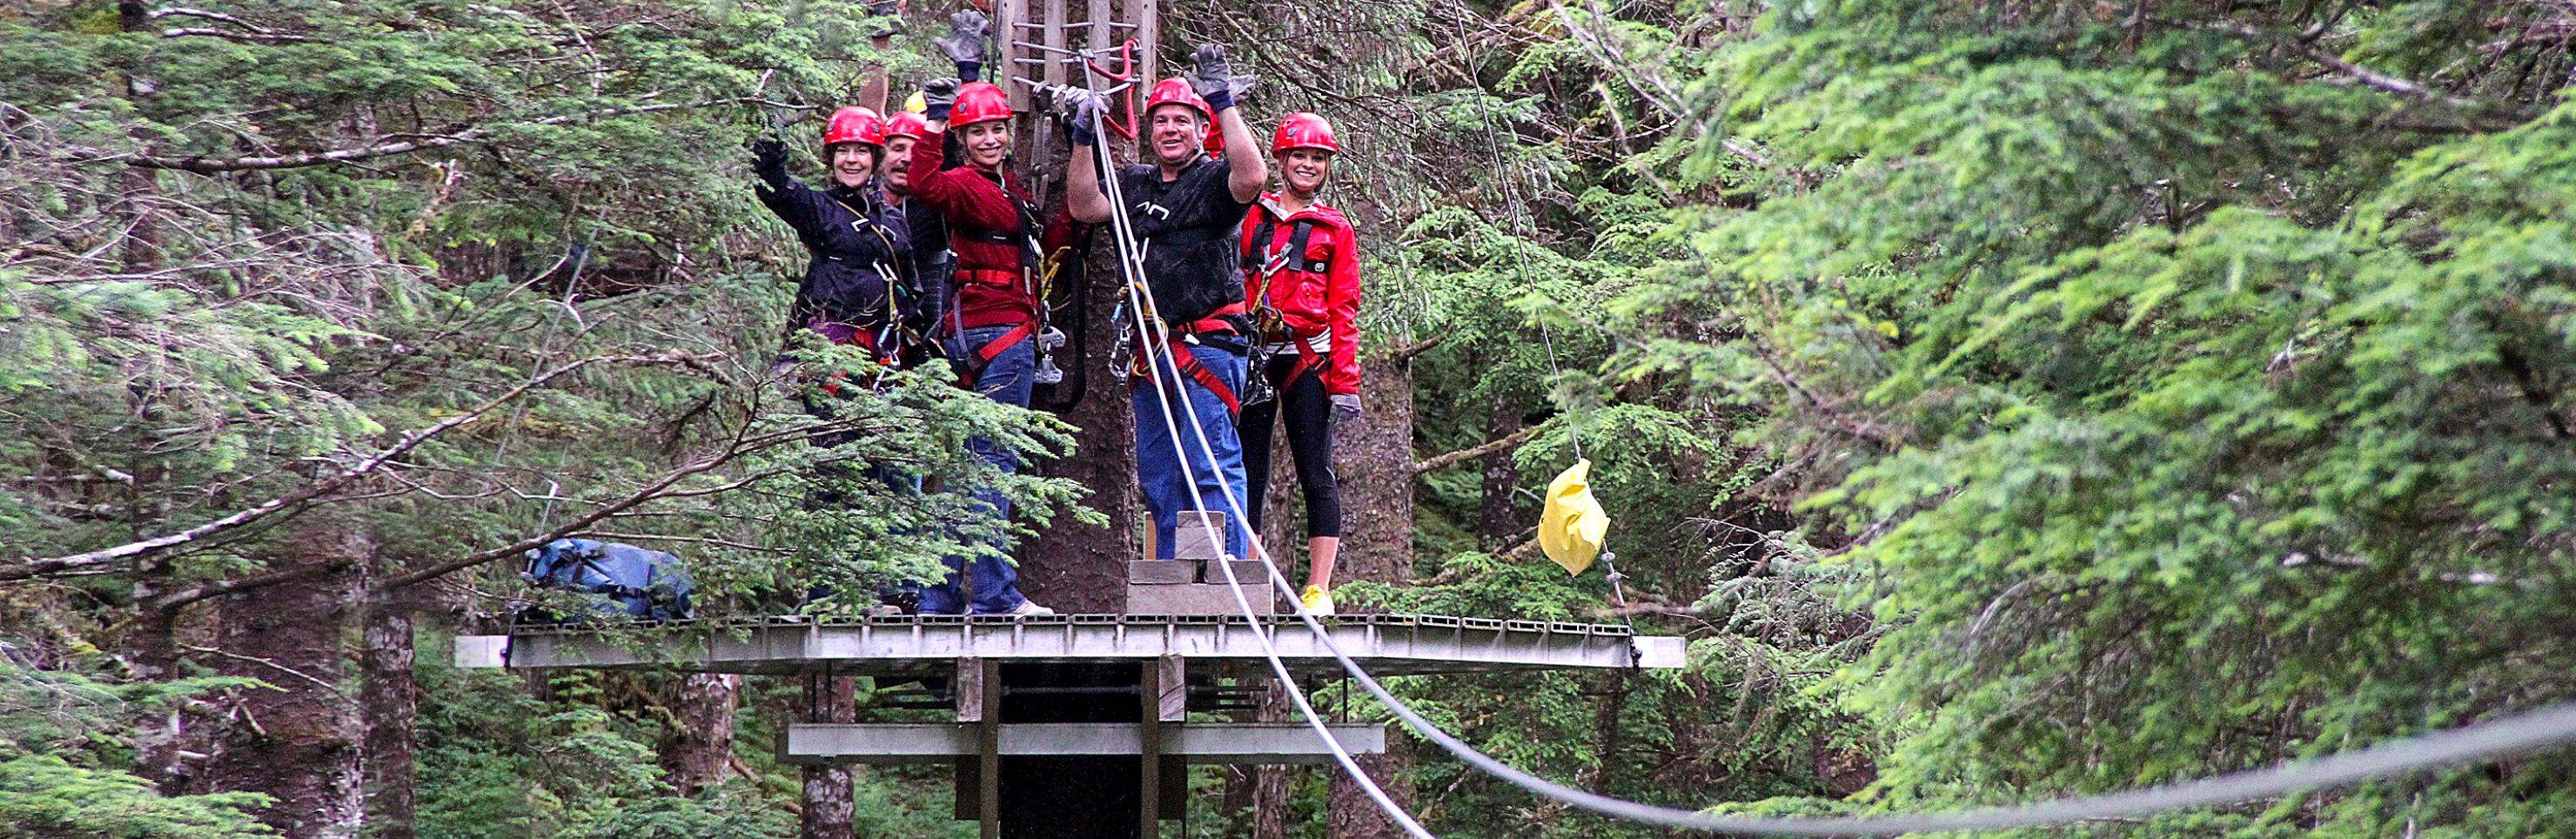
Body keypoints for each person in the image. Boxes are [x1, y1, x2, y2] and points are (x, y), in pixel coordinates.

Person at [1063, 45, 1268, 562]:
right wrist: (1084, 138)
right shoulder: (1135, 184)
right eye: (1161, 121)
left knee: (1210, 461)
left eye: (1181, 120)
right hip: (1151, 349)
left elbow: (1253, 178)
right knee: (1158, 471)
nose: (1170, 129)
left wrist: (1221, 100)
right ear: (1149, 130)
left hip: (1206, 345)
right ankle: (1174, 569)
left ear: (1201, 130)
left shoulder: (1214, 181)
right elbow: (1084, 205)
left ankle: (1223, 567)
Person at [900, 10, 1056, 615]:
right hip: (999, 333)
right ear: (963, 141)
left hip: (983, 331)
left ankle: (938, 596)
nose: (990, 139)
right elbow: (924, 182)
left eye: (997, 130)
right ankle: (992, 595)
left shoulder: (1006, 186)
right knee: (992, 465)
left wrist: (970, 73)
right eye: (979, 133)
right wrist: (938, 119)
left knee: (968, 464)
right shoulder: (963, 183)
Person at [1237, 112, 1359, 615]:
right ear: (1282, 160)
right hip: (1253, 354)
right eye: (1300, 156)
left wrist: (1345, 382)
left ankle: (1318, 588)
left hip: (1307, 359)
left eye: (1317, 159)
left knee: (1316, 468)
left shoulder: (1335, 230)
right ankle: (1247, 578)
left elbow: (1344, 308)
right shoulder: (1251, 216)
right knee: (1249, 467)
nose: (1308, 165)